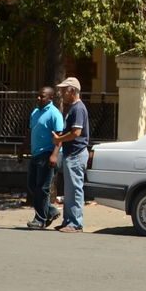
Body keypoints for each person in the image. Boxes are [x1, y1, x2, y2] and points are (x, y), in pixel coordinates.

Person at [53, 77, 90, 233]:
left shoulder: (78, 108)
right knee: (69, 191)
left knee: (74, 190)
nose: (61, 93)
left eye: (64, 90)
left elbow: (76, 132)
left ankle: (75, 223)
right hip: (72, 154)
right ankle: (68, 221)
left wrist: (59, 139)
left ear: (73, 91)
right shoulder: (73, 108)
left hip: (76, 154)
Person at [26, 85, 64, 230]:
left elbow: (59, 137)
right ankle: (51, 211)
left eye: (42, 96)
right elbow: (30, 131)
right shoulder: (35, 112)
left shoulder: (55, 114)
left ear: (50, 98)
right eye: (38, 95)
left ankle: (40, 219)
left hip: (48, 154)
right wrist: (23, 148)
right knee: (32, 186)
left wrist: (54, 155)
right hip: (35, 154)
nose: (39, 98)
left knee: (42, 188)